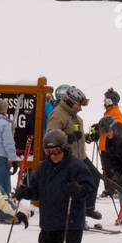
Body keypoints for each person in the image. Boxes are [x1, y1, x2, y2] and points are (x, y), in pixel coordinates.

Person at [15, 127, 96, 243]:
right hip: (49, 224)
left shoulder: (76, 166)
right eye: (49, 152)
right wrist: (25, 192)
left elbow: (90, 188)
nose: (54, 155)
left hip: (70, 224)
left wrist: (79, 190)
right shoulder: (44, 168)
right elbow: (36, 189)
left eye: (57, 151)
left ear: (64, 149)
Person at [46, 84, 101, 221]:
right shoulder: (58, 115)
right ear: (71, 102)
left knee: (94, 176)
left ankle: (88, 208)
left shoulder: (74, 116)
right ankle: (76, 215)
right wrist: (68, 138)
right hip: (67, 159)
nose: (81, 108)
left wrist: (88, 137)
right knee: (78, 186)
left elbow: (78, 136)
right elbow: (50, 137)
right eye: (79, 105)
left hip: (80, 156)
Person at [97, 89, 122, 195]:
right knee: (107, 169)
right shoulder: (109, 113)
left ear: (109, 101)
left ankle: (113, 189)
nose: (104, 102)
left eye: (105, 100)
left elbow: (119, 128)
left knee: (111, 169)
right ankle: (109, 189)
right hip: (105, 146)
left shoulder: (115, 113)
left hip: (110, 147)